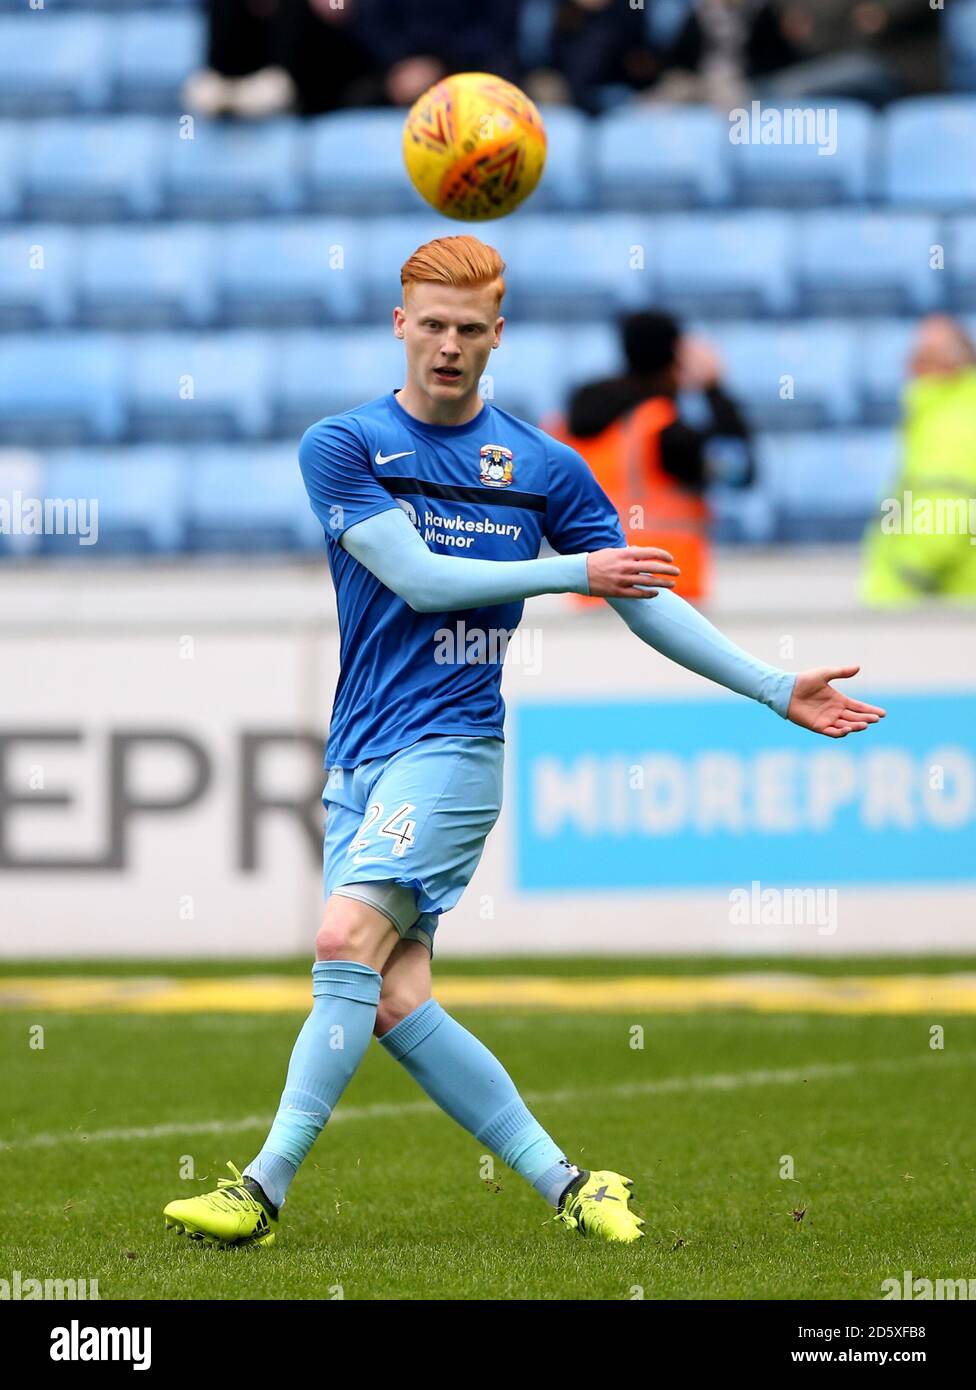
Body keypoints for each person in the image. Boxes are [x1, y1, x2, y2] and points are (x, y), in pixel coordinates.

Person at [163, 236, 886, 1250]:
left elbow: (641, 594)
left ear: (496, 336)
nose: (449, 345)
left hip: (452, 749)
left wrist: (770, 686)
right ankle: (574, 1182)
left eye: (469, 329)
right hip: (356, 756)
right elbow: (421, 580)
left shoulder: (543, 466)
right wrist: (569, 574)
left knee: (339, 945)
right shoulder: (343, 445)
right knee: (392, 996)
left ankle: (261, 1189)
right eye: (432, 324)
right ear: (399, 323)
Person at [549, 309, 755, 601]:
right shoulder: (664, 430)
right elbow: (740, 470)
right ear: (675, 359)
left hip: (594, 591)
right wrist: (714, 391)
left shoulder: (572, 423)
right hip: (667, 597)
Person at [861, 315, 976, 605]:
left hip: (944, 610)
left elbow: (942, 519)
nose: (909, 365)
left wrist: (893, 593)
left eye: (920, 356)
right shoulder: (945, 414)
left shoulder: (952, 424)